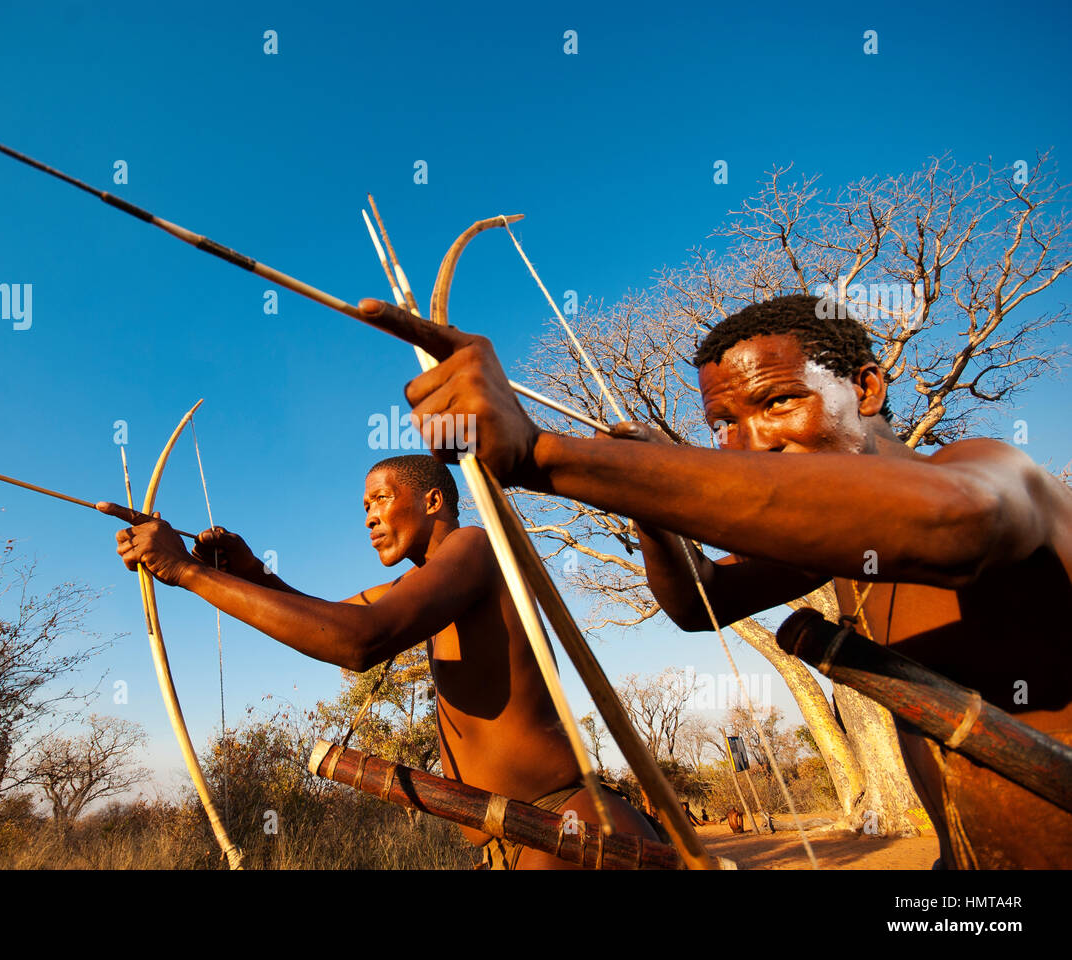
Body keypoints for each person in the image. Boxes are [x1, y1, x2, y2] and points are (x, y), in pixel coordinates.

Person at [382, 292, 1072, 869]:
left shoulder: (988, 470)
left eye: (777, 403)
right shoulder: (841, 554)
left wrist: (544, 453)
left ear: (867, 387)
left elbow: (957, 525)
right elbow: (699, 600)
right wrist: (646, 504)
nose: (754, 443)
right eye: (724, 425)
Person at [99, 454, 655, 869]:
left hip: (562, 825)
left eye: (380, 499)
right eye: (365, 507)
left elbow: (358, 641)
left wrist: (188, 572)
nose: (368, 517)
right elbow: (328, 618)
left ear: (433, 501)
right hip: (518, 838)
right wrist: (247, 574)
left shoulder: (475, 548)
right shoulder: (417, 584)